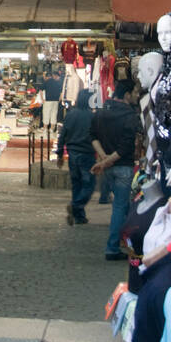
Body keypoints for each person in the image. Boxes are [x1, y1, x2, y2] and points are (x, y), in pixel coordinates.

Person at [92, 79, 141, 260]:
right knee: (120, 207)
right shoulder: (130, 116)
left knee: (120, 207)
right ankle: (113, 247)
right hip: (122, 167)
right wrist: (106, 161)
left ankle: (123, 243)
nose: (137, 96)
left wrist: (103, 158)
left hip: (107, 168)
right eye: (135, 92)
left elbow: (93, 136)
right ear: (127, 95)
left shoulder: (101, 112)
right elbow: (125, 147)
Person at [56, 88, 97, 225]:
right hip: (87, 154)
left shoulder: (71, 115)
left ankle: (79, 216)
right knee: (89, 184)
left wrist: (60, 153)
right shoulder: (92, 117)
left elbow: (63, 135)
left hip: (73, 153)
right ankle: (76, 207)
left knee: (77, 185)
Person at [40, 65, 64, 131]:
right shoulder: (57, 82)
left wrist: (42, 99)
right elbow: (62, 91)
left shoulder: (46, 82)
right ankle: (52, 129)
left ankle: (45, 128)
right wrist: (59, 99)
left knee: (46, 113)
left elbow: (41, 90)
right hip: (56, 101)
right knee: (54, 114)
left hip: (48, 101)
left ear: (47, 77)